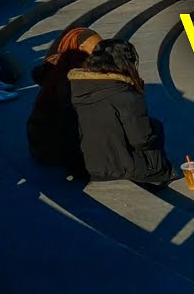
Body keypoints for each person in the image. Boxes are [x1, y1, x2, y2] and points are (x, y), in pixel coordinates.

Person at [70, 39, 176, 186]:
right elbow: (141, 140)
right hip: (120, 169)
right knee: (155, 126)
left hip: (82, 165)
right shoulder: (126, 95)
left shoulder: (74, 87)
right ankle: (155, 176)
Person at [28, 27, 102, 172]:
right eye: (96, 48)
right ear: (80, 48)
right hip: (56, 148)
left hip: (41, 145)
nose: (101, 52)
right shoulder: (68, 78)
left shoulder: (57, 66)